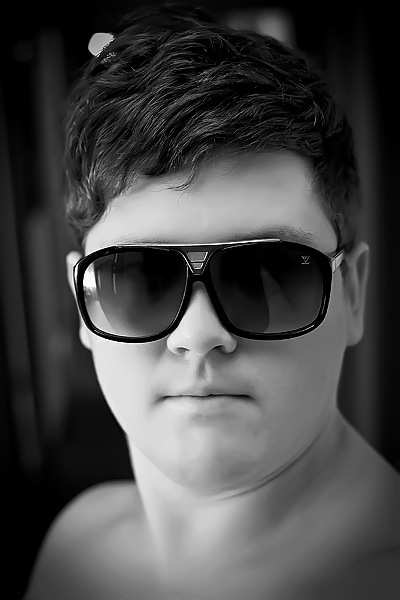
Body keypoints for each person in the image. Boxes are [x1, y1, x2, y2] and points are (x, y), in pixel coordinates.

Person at [24, 2, 399, 599]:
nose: (198, 335)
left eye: (268, 273)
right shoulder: (75, 548)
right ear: (83, 307)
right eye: (139, 279)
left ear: (352, 293)